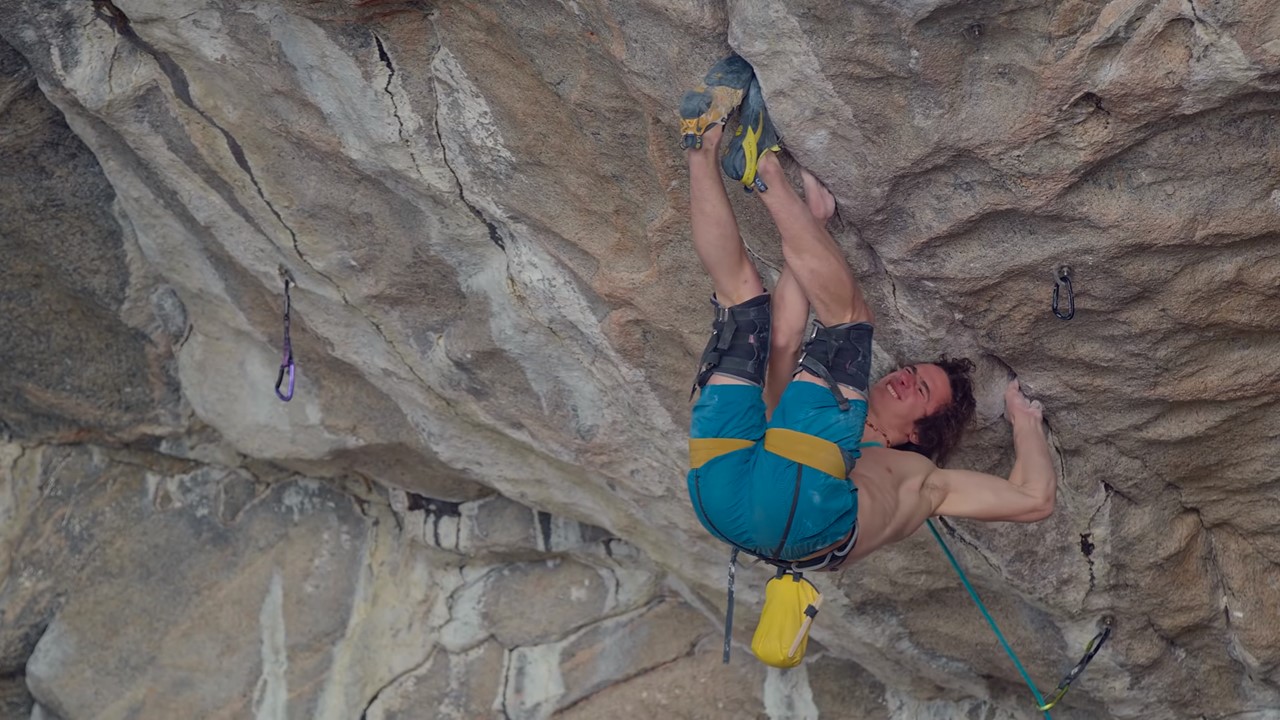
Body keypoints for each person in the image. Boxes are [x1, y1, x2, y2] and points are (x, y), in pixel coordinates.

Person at [683, 56, 1057, 573]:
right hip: (723, 498)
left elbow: (1033, 499)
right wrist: (812, 226)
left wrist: (1024, 421)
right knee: (743, 305)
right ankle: (702, 145)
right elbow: (786, 336)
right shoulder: (813, 427)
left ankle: (764, 170)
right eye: (910, 373)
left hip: (801, 518)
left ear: (918, 436)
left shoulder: (924, 481)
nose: (903, 379)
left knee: (850, 325)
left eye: (920, 391)